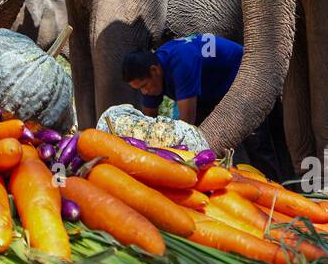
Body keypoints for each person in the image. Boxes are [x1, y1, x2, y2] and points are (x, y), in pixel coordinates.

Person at [122, 34, 291, 182]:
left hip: (243, 79)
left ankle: (275, 188)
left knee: (257, 142)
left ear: (154, 70)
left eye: (144, 86)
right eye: (140, 89)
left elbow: (186, 124)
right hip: (210, 91)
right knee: (206, 144)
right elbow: (148, 121)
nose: (145, 92)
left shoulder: (181, 62)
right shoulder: (153, 75)